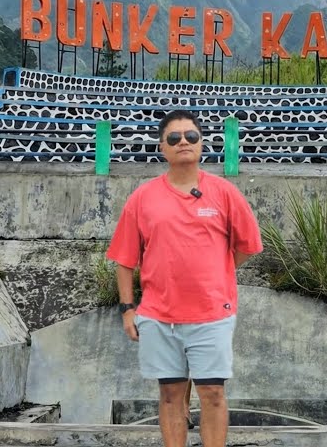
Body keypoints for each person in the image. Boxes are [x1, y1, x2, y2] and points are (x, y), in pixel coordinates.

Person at [106, 109, 263, 447]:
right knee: (170, 394)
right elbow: (124, 260)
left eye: (191, 136)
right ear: (162, 147)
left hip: (211, 315)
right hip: (159, 316)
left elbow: (248, 245)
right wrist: (128, 309)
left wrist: (217, 271)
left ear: (202, 143)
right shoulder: (142, 198)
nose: (183, 142)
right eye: (174, 138)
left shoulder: (224, 193)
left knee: (213, 393)